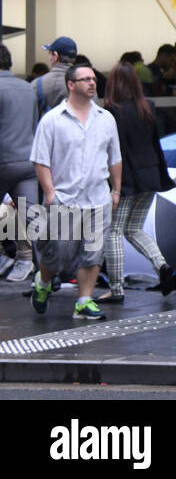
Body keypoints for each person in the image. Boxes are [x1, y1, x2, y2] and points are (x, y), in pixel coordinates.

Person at [29, 64, 122, 322]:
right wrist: (49, 192)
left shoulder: (105, 118)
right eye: (85, 80)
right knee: (58, 254)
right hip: (64, 198)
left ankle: (84, 301)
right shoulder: (52, 120)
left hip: (97, 198)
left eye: (93, 79)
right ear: (71, 85)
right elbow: (40, 159)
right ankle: (43, 281)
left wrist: (116, 189)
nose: (92, 83)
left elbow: (114, 157)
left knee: (93, 252)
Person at [98, 63, 174, 303]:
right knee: (133, 229)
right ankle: (161, 265)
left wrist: (115, 187)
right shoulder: (148, 107)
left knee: (113, 231)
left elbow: (113, 152)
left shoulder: (112, 111)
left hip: (127, 179)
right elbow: (155, 143)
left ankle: (117, 288)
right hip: (151, 175)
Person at [0, 45, 40, 284]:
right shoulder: (28, 88)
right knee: (30, 215)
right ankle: (26, 260)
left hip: (2, 160)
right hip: (27, 162)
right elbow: (35, 125)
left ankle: (4, 258)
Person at [31, 36, 77, 116]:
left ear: (55, 56)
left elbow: (31, 116)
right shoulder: (86, 82)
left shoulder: (37, 84)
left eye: (50, 54)